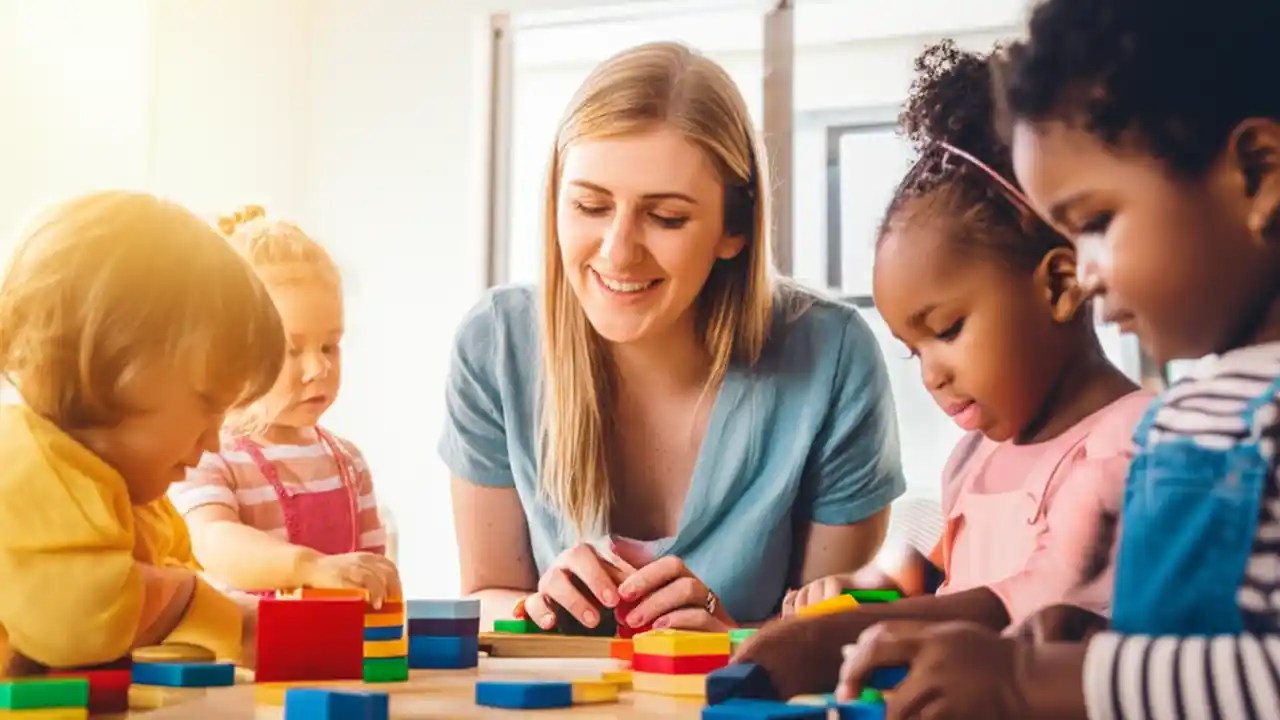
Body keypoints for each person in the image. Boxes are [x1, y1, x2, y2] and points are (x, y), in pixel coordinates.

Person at [837, 0, 1280, 717]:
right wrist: (1092, 640)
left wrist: (1032, 681)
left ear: (1257, 174)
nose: (1088, 269)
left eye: (1099, 223)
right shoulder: (1197, 413)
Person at [441, 41, 905, 632]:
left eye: (666, 218)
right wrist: (528, 611)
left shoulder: (832, 357)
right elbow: (486, 593)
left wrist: (730, 640)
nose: (617, 252)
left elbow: (839, 638)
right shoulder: (496, 344)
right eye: (589, 205)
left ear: (733, 229)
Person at [736, 40, 1151, 695]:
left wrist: (832, 640)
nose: (932, 373)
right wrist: (865, 590)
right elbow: (927, 575)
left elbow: (1044, 599)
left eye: (948, 331)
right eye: (913, 348)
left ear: (1060, 285)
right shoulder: (974, 456)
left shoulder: (1127, 444)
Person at [0, 191, 282, 671]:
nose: (214, 442)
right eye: (209, 405)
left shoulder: (134, 493)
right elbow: (82, 618)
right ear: (107, 363)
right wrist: (208, 607)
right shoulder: (26, 462)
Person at [169, 206, 400, 606]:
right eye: (291, 350)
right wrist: (309, 567)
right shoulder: (207, 455)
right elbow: (213, 543)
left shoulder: (349, 463)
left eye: (330, 345)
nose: (319, 367)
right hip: (243, 659)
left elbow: (373, 574)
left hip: (339, 660)